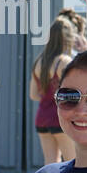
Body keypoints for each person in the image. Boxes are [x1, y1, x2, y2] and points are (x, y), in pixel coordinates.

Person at [30, 16, 78, 164]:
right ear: (68, 38)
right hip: (60, 117)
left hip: (42, 117)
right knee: (74, 162)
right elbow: (75, 92)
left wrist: (48, 97)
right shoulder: (64, 62)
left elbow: (33, 95)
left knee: (50, 165)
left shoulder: (39, 61)